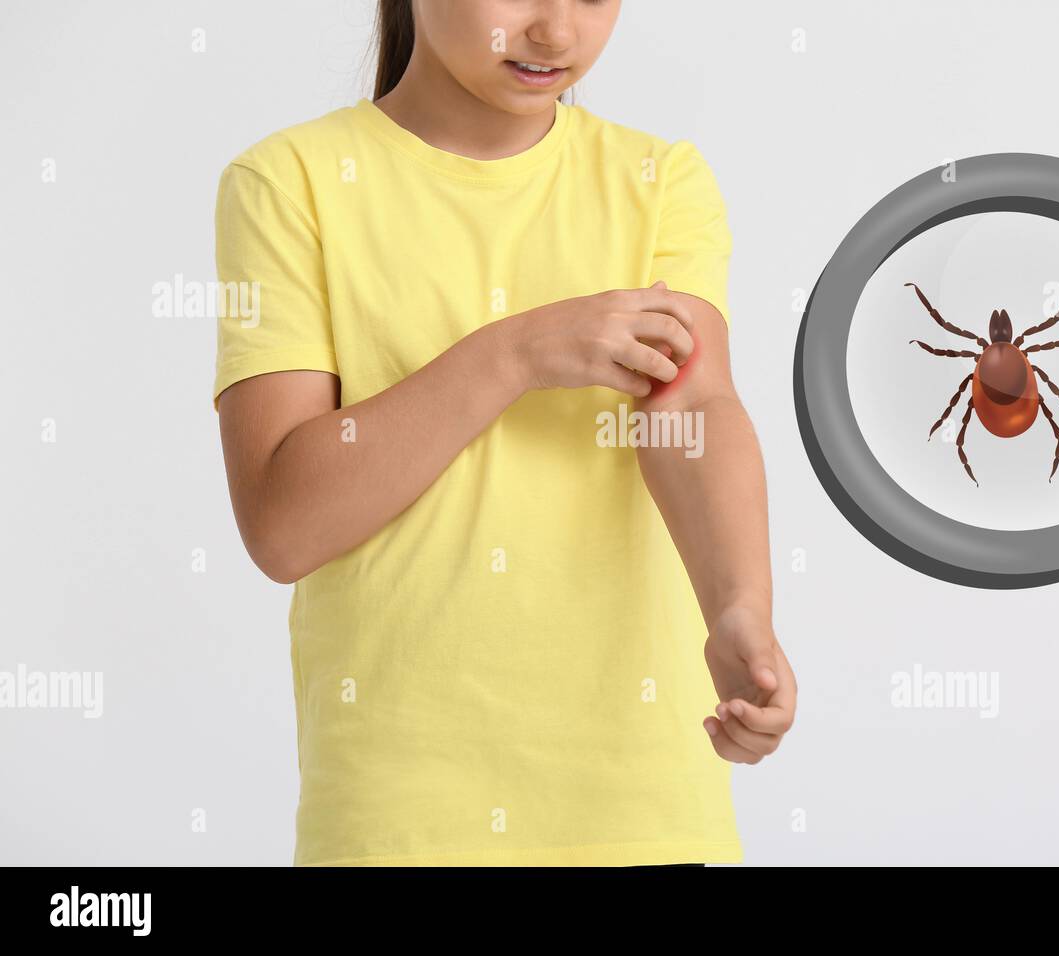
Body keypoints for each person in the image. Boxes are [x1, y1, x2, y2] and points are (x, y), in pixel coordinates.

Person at [212, 0, 796, 866]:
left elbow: (693, 408)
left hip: (637, 798)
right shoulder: (289, 182)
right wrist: (514, 354)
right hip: (401, 814)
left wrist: (740, 607)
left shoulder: (658, 180)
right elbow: (283, 524)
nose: (557, 33)